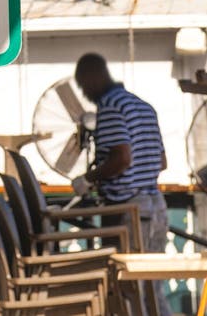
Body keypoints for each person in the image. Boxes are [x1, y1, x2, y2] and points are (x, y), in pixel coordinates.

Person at [73, 52, 172, 316]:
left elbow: (122, 158)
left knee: (132, 287)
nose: (84, 92)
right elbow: (161, 161)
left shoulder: (110, 107)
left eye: (83, 85)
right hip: (156, 205)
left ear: (93, 78)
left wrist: (89, 178)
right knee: (153, 287)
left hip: (130, 211)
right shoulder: (143, 106)